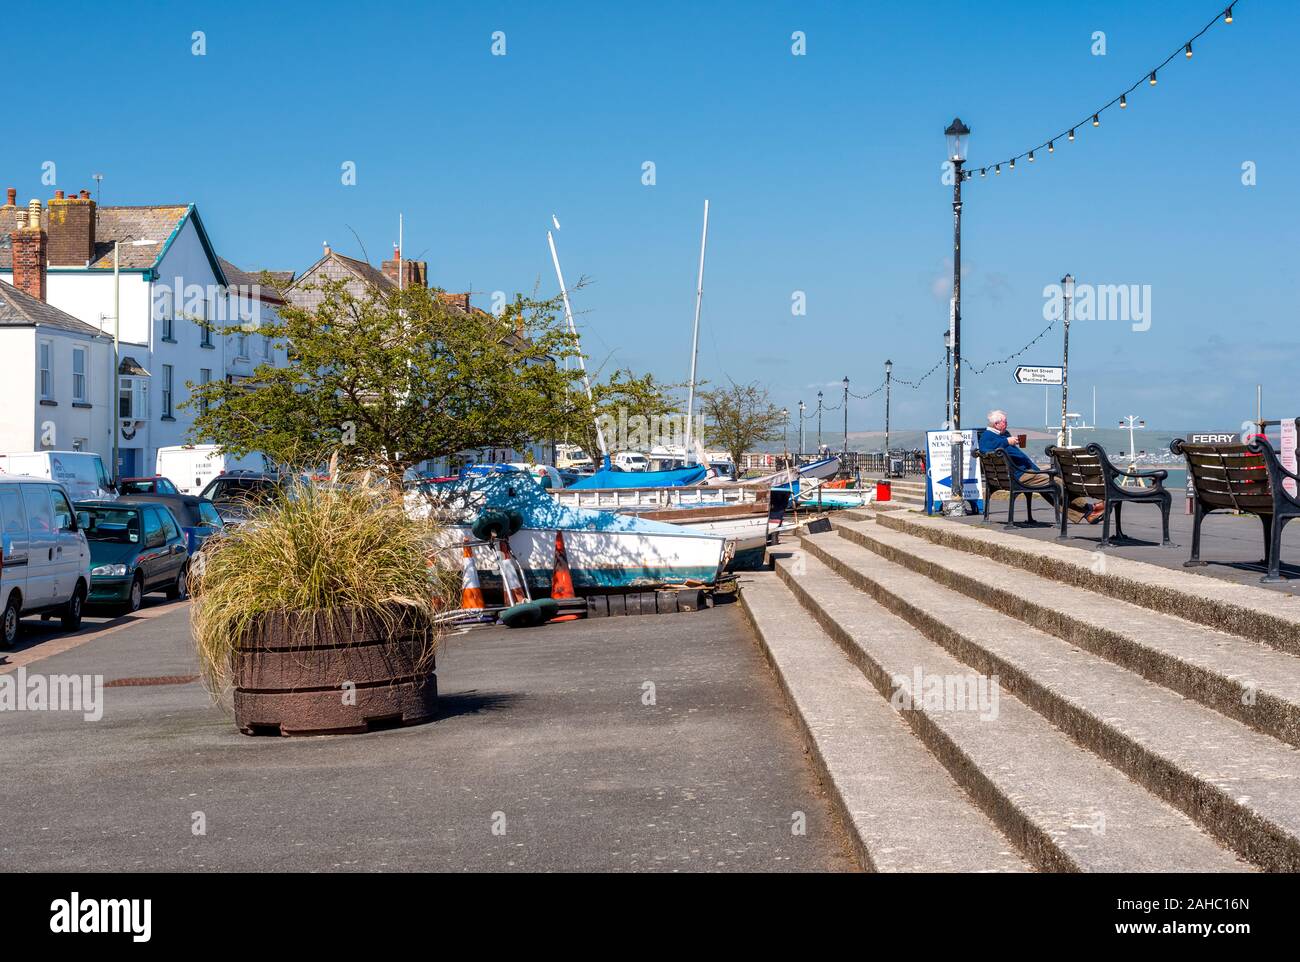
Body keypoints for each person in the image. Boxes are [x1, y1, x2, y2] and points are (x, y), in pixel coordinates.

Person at [978, 410, 1103, 524]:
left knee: (1047, 489)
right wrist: (1006, 442)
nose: (1007, 424)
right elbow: (984, 449)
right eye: (1005, 422)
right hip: (1019, 475)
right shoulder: (988, 436)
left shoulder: (1003, 434)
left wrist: (1037, 471)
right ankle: (1089, 508)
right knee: (1056, 482)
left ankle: (1087, 514)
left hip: (1018, 474)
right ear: (996, 424)